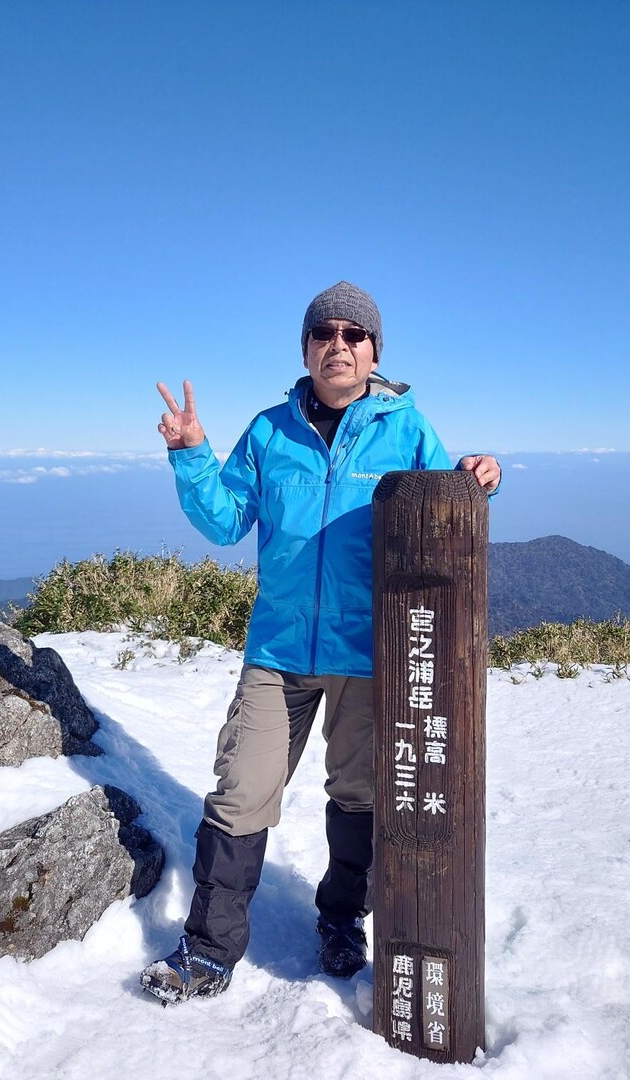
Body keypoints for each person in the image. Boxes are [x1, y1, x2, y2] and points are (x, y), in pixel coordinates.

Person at [141, 281, 500, 1004]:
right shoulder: (271, 430)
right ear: (306, 348)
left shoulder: (407, 428)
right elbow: (224, 521)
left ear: (374, 351)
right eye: (324, 333)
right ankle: (208, 951)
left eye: (353, 334)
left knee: (361, 798)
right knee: (241, 793)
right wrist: (191, 455)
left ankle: (341, 921)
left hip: (369, 655)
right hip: (277, 653)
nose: (338, 344)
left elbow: (439, 506)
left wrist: (475, 481)